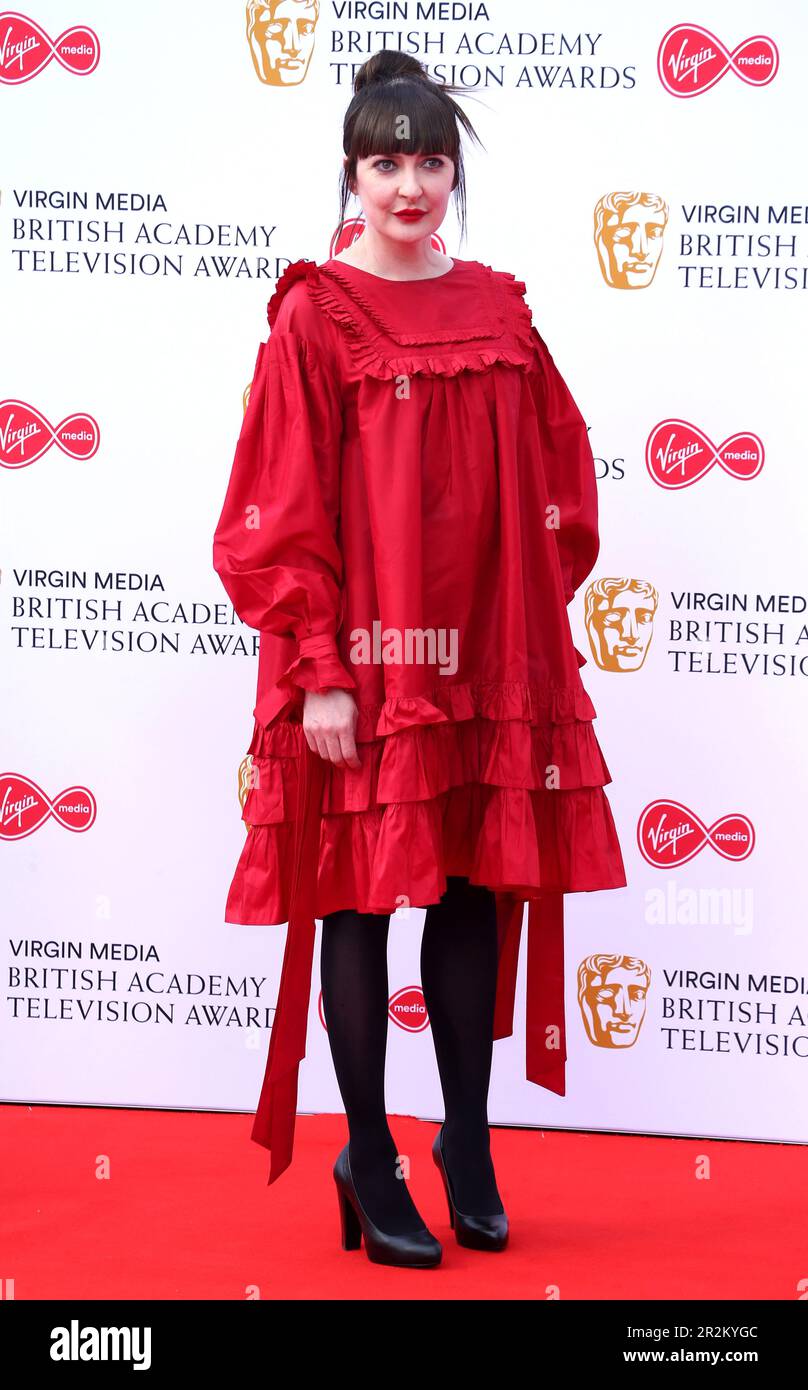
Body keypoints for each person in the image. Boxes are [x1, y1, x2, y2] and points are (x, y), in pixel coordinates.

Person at [212, 48, 627, 1269]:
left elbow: (559, 478)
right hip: (365, 663)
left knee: (464, 892)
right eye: (385, 160)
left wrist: (517, 636)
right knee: (355, 898)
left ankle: (466, 1140)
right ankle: (368, 1154)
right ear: (351, 168)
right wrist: (321, 665)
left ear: (455, 172)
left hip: (478, 663)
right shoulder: (315, 313)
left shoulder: (501, 309)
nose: (409, 185)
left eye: (430, 161)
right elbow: (276, 503)